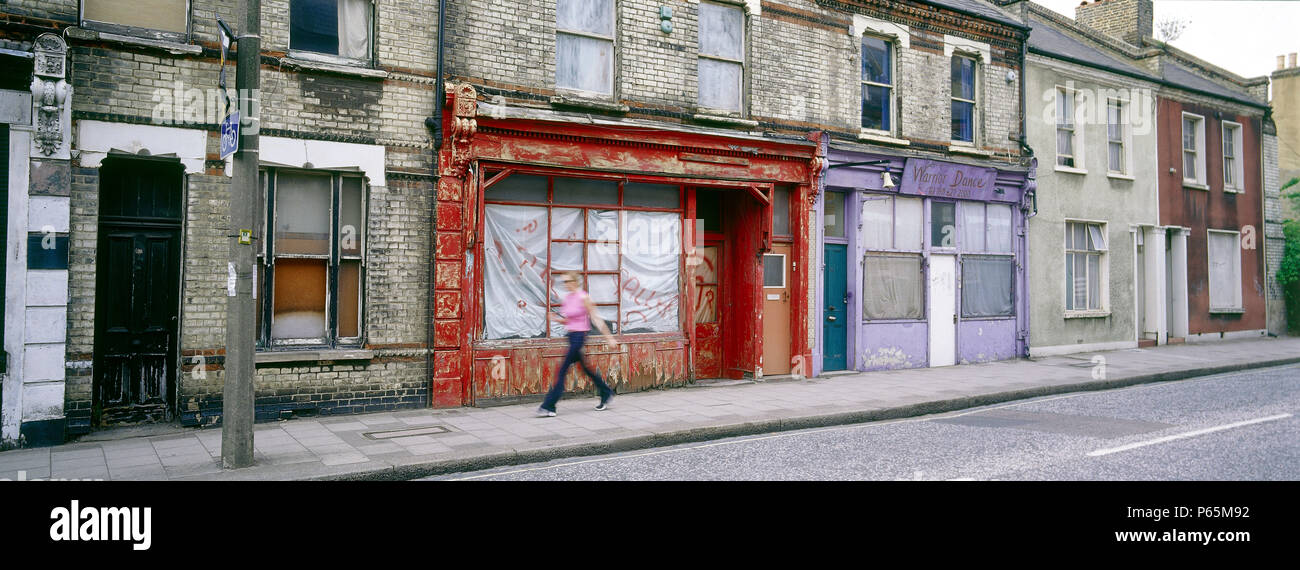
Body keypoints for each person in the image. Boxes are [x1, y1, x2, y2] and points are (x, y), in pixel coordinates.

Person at [537, 271, 619, 417]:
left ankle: (549, 406)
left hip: (579, 337)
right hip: (571, 336)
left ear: (575, 282)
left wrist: (609, 338)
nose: (565, 284)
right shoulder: (568, 298)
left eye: (568, 281)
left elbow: (596, 319)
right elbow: (570, 320)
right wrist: (556, 319)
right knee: (586, 370)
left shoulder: (584, 297)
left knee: (561, 371)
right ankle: (606, 393)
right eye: (564, 282)